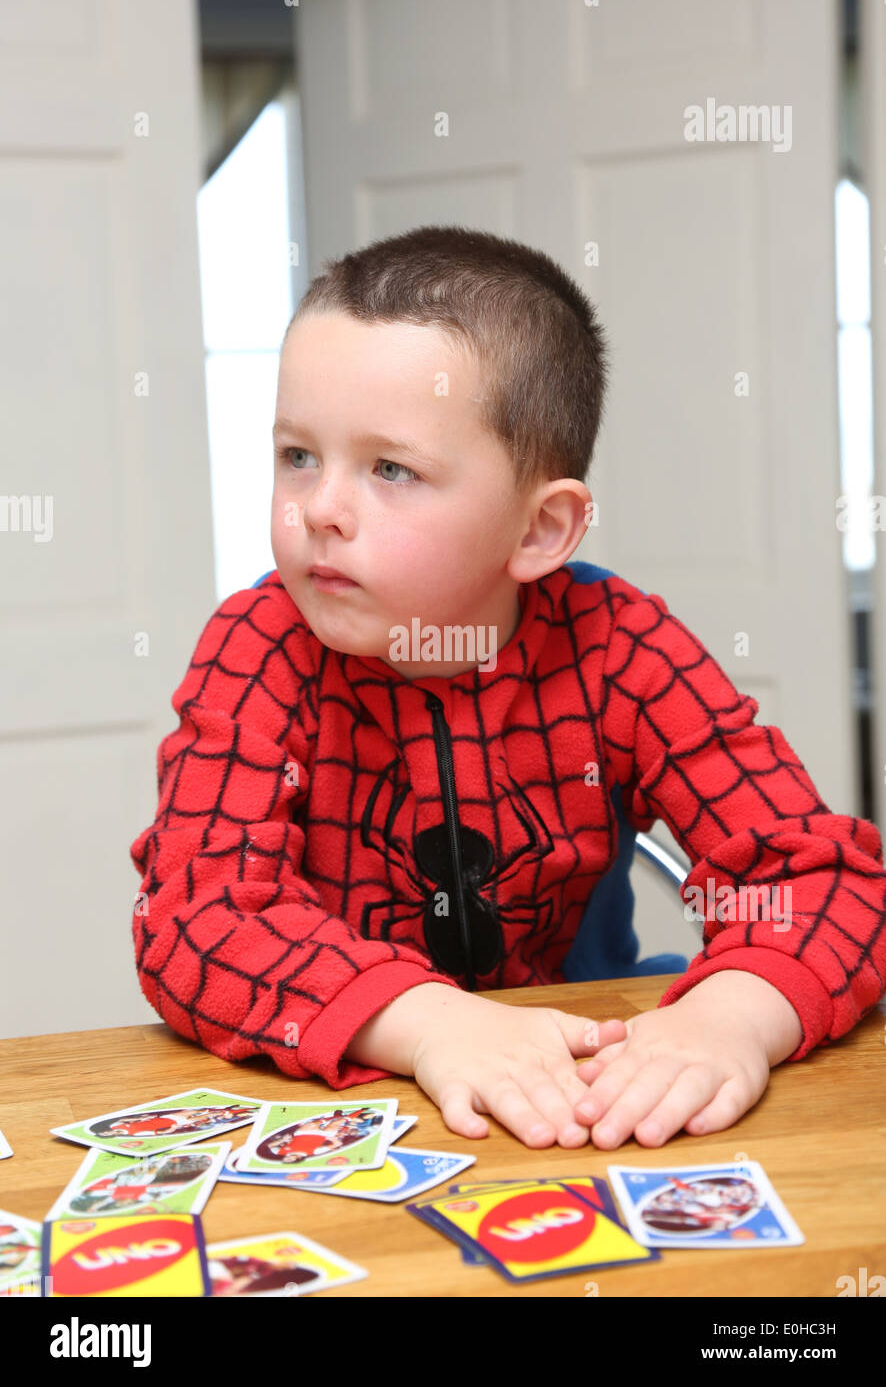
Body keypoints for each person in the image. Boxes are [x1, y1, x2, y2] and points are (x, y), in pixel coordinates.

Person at [129, 225, 886, 1153]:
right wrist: (431, 1024)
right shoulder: (257, 647)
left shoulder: (621, 644)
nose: (319, 509)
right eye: (298, 456)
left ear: (540, 531)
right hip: (355, 1094)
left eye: (391, 468)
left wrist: (733, 1018)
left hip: (590, 1088)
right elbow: (194, 920)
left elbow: (824, 880)